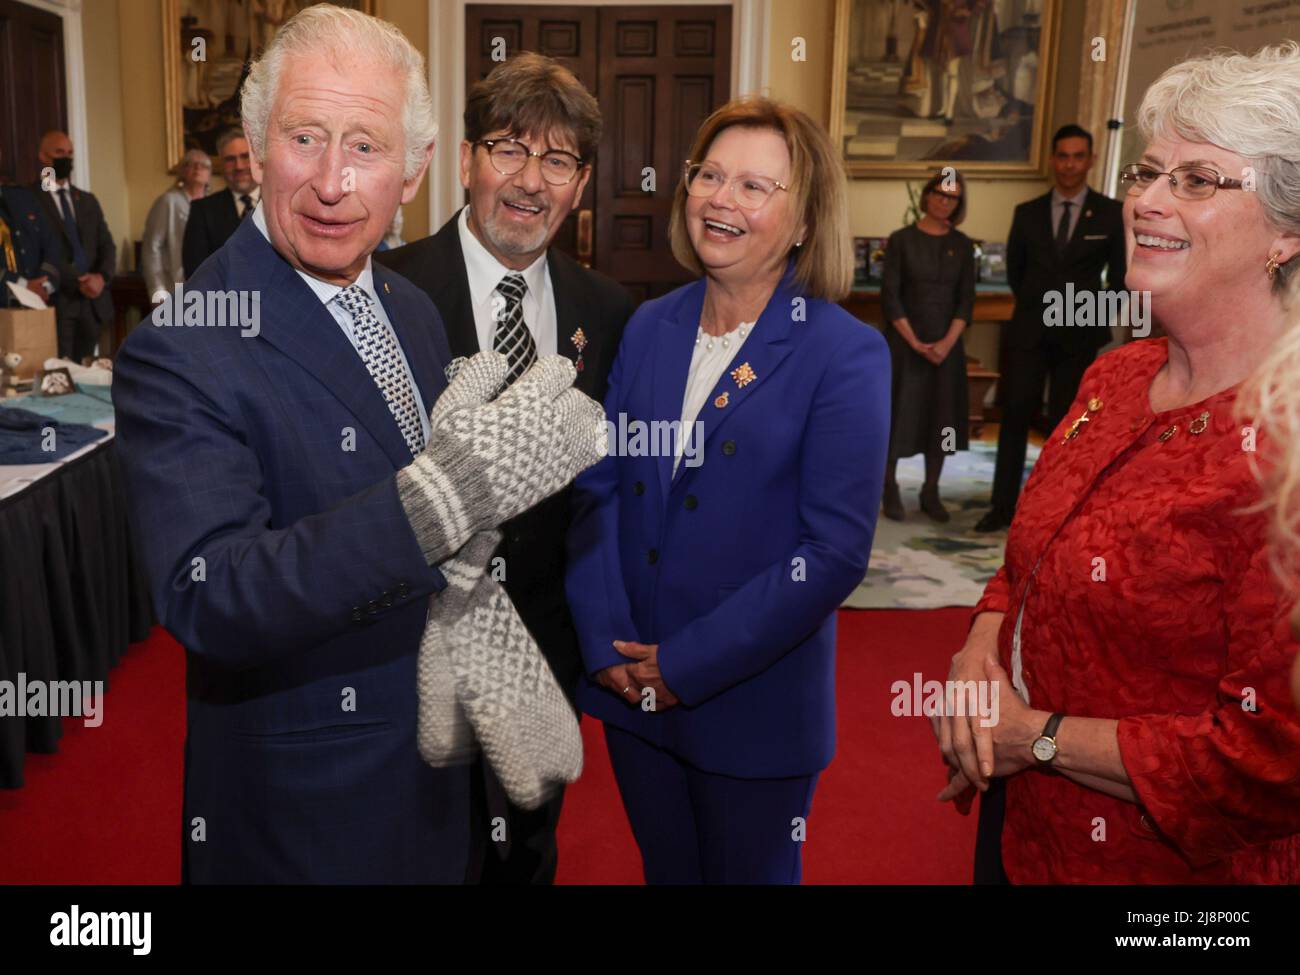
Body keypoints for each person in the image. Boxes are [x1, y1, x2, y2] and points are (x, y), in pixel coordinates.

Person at [113, 4, 604, 884]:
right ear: (258, 148)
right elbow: (207, 594)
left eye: (367, 147)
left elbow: (437, 556)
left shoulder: (411, 310)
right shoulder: (184, 342)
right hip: (306, 812)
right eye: (306, 137)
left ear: (416, 171)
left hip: (439, 781)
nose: (333, 182)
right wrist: (439, 506)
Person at [934, 42, 1300, 883]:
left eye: (1197, 180)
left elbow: (1267, 757)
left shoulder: (1284, 448)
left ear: (1284, 232)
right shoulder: (1117, 373)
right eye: (1147, 172)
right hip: (1024, 832)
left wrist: (1040, 736)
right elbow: (1029, 558)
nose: (1146, 201)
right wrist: (978, 648)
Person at [566, 97, 890, 884]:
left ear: (807, 219)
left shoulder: (846, 354)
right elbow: (597, 481)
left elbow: (834, 552)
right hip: (632, 692)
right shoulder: (648, 325)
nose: (721, 198)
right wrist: (605, 635)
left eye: (754, 185)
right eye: (709, 175)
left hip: (752, 707)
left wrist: (685, 664)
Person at [377, 52, 633, 885]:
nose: (531, 180)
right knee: (410, 850)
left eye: (558, 160)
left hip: (544, 650)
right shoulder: (387, 291)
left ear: (582, 183)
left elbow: (614, 495)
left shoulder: (610, 312)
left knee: (523, 853)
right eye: (508, 149)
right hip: (408, 645)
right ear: (465, 161)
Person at [976, 124, 1126, 532]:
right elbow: (1015, 273)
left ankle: (1053, 509)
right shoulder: (1026, 214)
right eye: (1062, 155)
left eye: (1078, 156)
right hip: (1028, 334)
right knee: (1015, 415)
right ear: (1052, 160)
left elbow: (1121, 279)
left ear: (1091, 160)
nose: (1070, 164)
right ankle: (1002, 507)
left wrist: (1089, 316)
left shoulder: (1112, 214)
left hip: (1078, 334)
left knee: (1068, 424)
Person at [880, 168, 975, 521]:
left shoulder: (964, 246)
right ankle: (888, 486)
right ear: (927, 195)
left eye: (951, 197)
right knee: (896, 417)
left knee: (942, 421)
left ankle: (930, 490)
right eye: (939, 193)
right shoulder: (901, 239)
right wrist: (916, 343)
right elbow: (890, 297)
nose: (943, 201)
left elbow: (966, 301)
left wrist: (946, 343)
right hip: (904, 345)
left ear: (958, 203)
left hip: (946, 349)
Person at [30, 130, 115, 360]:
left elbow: (107, 245)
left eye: (69, 153)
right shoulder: (29, 200)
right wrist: (73, 280)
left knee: (89, 373)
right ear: (43, 157)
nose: (66, 158)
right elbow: (33, 251)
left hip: (92, 302)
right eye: (59, 152)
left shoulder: (87, 200)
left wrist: (101, 278)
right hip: (57, 301)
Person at [181, 128, 259, 279]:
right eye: (230, 159)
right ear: (221, 165)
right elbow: (196, 275)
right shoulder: (202, 211)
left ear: (257, 159)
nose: (239, 166)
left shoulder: (281, 203)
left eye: (245, 156)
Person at [141, 148, 211, 300]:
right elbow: (152, 247)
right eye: (191, 164)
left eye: (203, 165)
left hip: (209, 289)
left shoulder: (213, 205)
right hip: (175, 288)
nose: (197, 168)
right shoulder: (168, 201)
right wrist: (157, 291)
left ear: (209, 174)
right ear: (182, 171)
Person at [0, 146, 61, 308]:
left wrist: (43, 286)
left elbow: (51, 247)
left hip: (37, 306)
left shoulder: (23, 197)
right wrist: (23, 286)